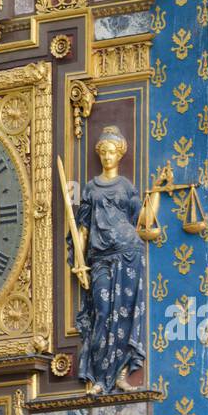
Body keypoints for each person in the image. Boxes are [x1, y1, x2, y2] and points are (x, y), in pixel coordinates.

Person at [70, 127, 168, 396]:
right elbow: (83, 228)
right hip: (100, 257)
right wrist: (79, 261)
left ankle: (121, 375)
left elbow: (144, 221)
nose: (107, 157)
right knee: (102, 313)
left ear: (119, 154)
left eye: (112, 152)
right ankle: (100, 378)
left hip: (128, 254)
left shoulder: (126, 187)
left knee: (124, 316)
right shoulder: (90, 188)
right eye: (104, 152)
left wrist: (157, 191)